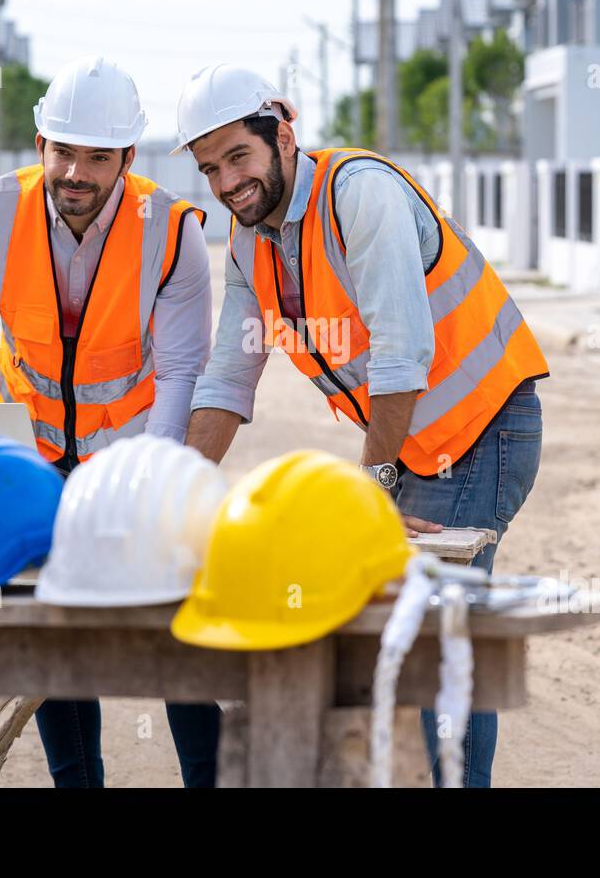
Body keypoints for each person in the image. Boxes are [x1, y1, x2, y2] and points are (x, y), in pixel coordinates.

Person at [175, 63, 549, 788]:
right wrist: (177, 485)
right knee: (401, 640)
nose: (225, 183)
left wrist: (373, 488)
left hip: (485, 430)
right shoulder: (250, 240)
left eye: (238, 157)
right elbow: (227, 375)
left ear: (282, 135)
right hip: (414, 443)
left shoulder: (359, 194)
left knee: (437, 641)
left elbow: (401, 352)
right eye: (210, 168)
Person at [0, 55, 220, 787]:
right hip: (27, 461)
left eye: (99, 156)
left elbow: (183, 371)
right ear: (40, 148)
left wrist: (150, 488)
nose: (78, 173)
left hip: (129, 458)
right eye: (64, 151)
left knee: (171, 625)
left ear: (128, 157)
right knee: (55, 632)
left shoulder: (175, 231)